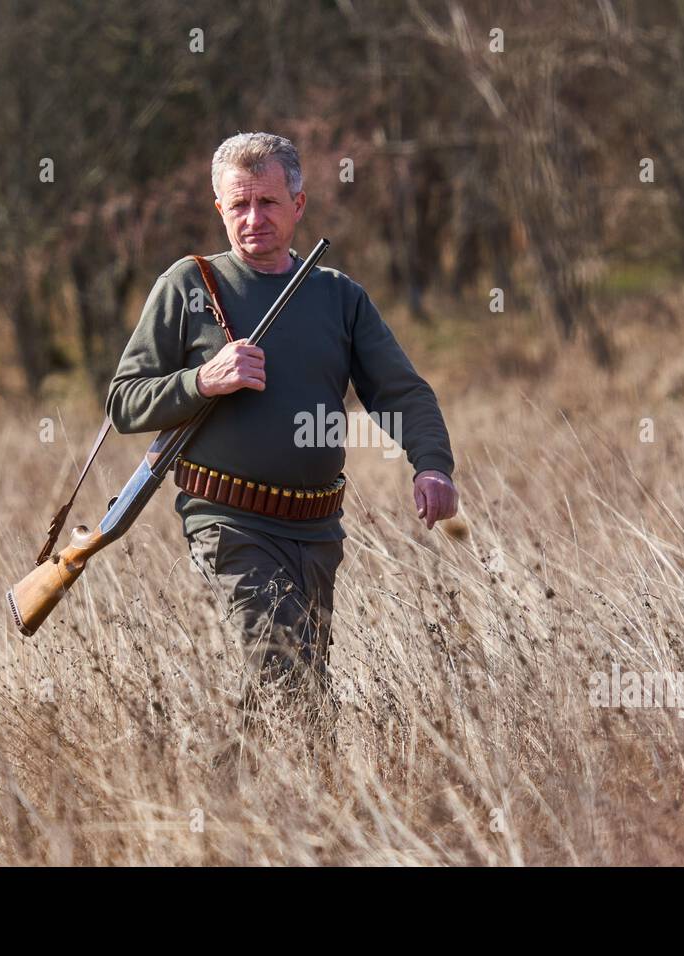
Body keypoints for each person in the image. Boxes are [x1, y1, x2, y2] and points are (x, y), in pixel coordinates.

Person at [105, 131, 458, 748]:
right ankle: (296, 814)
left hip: (318, 530)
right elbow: (124, 401)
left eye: (267, 202)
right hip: (227, 522)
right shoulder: (189, 286)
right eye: (238, 205)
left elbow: (401, 393)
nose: (252, 218)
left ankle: (236, 807)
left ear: (299, 203)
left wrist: (432, 466)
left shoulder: (339, 296)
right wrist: (201, 380)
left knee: (298, 695)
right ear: (219, 209)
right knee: (285, 677)